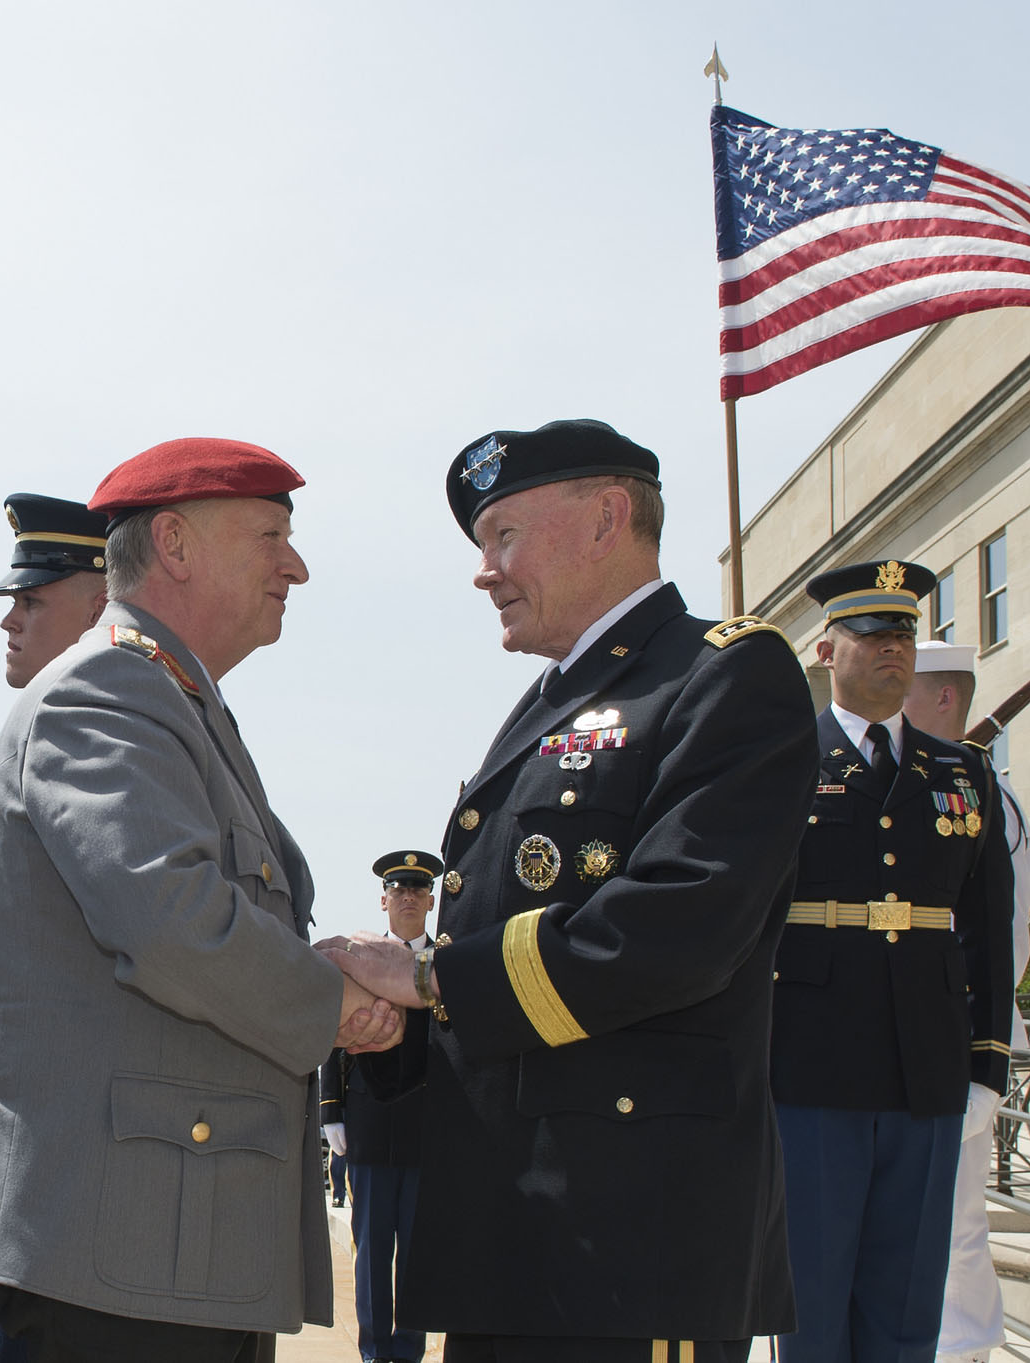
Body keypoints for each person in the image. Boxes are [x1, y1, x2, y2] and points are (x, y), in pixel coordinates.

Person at [328, 418, 818, 1362]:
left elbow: (679, 924)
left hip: (630, 1239)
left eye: (504, 535)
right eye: (482, 544)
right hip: (512, 1230)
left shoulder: (723, 672)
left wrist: (428, 977)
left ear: (607, 517)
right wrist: (394, 1015)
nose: (485, 570)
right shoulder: (555, 702)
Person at [0, 437, 401, 1363]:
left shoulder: (175, 698)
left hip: (166, 1249)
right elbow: (170, 918)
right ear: (177, 544)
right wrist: (333, 1001)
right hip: (117, 1257)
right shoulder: (106, 691)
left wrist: (324, 966)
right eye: (272, 534)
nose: (296, 565)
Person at [768, 561, 1014, 1363]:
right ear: (824, 650)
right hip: (810, 1066)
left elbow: (986, 926)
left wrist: (986, 1064)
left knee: (910, 1303)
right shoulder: (779, 763)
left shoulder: (962, 773)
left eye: (904, 633)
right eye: (872, 635)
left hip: (926, 1066)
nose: (892, 650)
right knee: (812, 1298)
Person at [902, 641, 1030, 1363]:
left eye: (907, 685)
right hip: (910, 1036)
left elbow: (996, 937)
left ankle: (966, 1353)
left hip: (956, 1038)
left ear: (946, 698)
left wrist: (983, 1052)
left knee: (953, 1227)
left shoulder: (985, 795)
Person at [0, 493, 112, 1047]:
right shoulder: (54, 725)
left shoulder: (87, 729)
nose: (8, 620)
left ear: (99, 609)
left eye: (31, 602)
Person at [320, 850, 442, 1363]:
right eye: (399, 888)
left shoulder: (449, 963)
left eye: (417, 889)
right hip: (369, 1121)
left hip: (427, 1127)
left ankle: (409, 1351)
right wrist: (331, 1110)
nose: (408, 897)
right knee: (371, 1249)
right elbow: (335, 1032)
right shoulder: (362, 955)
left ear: (432, 901)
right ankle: (374, 1351)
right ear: (384, 899)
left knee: (417, 1251)